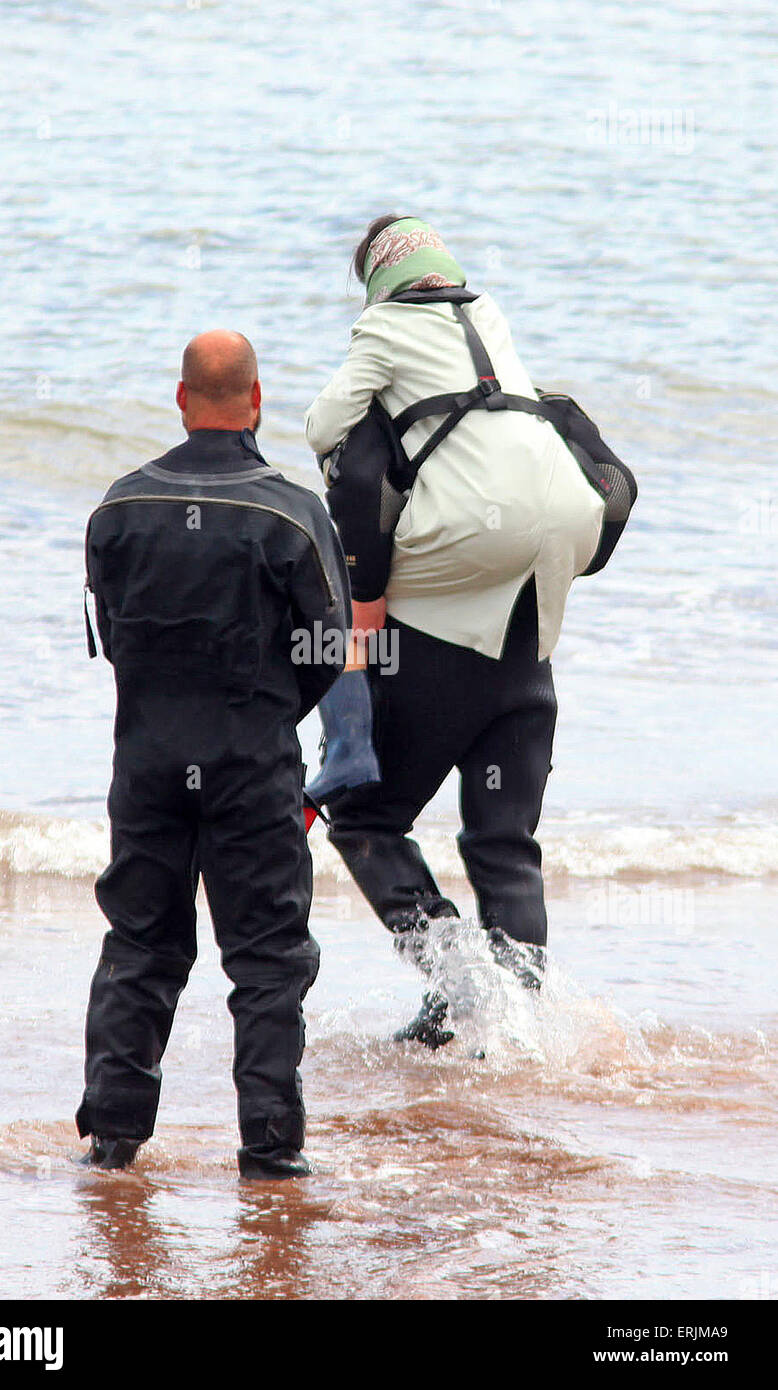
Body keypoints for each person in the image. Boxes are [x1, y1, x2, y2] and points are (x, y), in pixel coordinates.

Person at [305, 216, 605, 1048]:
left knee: (363, 817)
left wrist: (357, 623)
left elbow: (327, 425)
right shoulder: (492, 318)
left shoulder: (385, 323)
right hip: (533, 612)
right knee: (506, 842)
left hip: (443, 625)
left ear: (378, 276)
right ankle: (514, 1030)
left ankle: (461, 989)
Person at [77, 331, 350, 1175]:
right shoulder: (293, 513)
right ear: (258, 401)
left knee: (140, 946)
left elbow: (116, 639)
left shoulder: (117, 509)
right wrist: (264, 720)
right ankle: (270, 1150)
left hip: (148, 762)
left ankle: (114, 1141)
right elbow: (329, 651)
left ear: (181, 398)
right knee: (267, 960)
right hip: (252, 766)